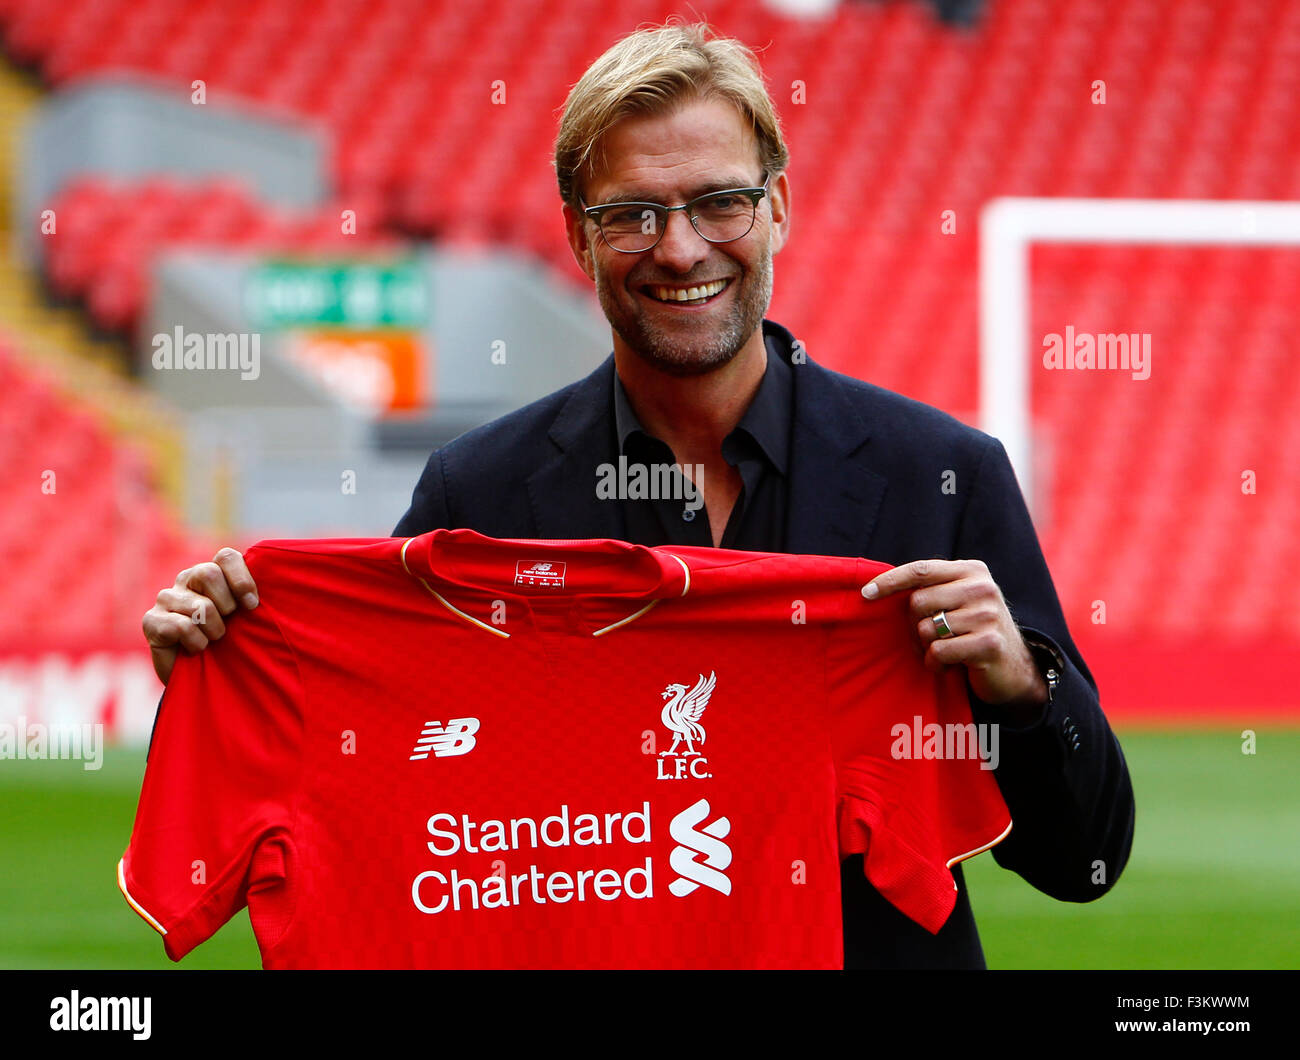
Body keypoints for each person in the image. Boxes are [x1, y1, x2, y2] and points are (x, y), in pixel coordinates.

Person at [141, 21, 1134, 969]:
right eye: (631, 214)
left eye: (718, 203)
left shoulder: (938, 474)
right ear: (578, 237)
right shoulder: (479, 494)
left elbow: (1082, 859)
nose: (679, 248)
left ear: (777, 208)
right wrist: (231, 674)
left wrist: (1024, 692)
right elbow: (379, 786)